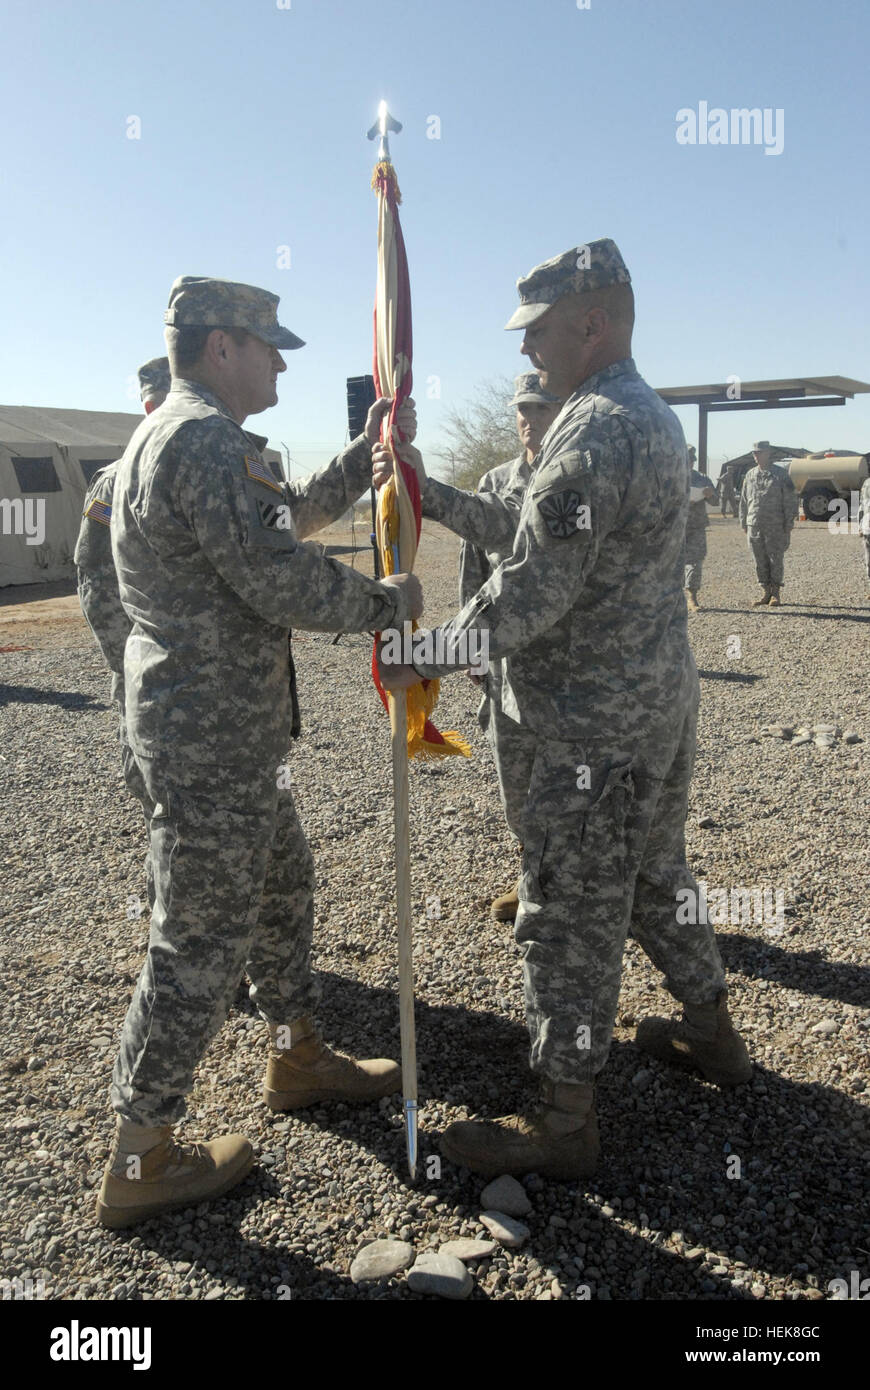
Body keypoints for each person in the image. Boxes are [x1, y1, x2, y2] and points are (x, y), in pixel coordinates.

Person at [375, 239, 750, 1180]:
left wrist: (425, 651)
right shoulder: (646, 416)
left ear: (593, 321)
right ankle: (716, 1039)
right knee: (656, 875)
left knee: (568, 915)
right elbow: (549, 536)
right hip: (653, 703)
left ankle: (564, 1121)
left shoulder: (589, 431)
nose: (525, 352)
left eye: (537, 331)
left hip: (587, 725)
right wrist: (440, 498)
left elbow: (534, 589)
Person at [97, 276, 422, 1228]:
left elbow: (272, 532)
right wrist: (383, 605)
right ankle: (140, 1154)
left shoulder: (194, 438)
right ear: (219, 346)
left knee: (284, 886)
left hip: (230, 737)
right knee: (196, 944)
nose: (281, 360)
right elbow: (273, 575)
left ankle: (296, 1052)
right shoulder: (198, 439)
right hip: (210, 744)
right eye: (268, 344)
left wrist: (362, 462)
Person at [458, 371, 562, 921]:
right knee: (515, 784)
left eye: (540, 408)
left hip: (567, 667)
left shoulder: (579, 477)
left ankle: (579, 895)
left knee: (575, 790)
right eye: (521, 409)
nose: (527, 418)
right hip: (506, 666)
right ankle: (530, 883)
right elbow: (475, 572)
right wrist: (470, 650)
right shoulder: (495, 482)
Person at [74, 357, 171, 908]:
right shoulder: (115, 481)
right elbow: (95, 581)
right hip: (151, 682)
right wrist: (134, 662)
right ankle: (176, 950)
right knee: (168, 815)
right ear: (147, 405)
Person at [739, 440, 799, 606]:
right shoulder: (750, 475)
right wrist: (743, 521)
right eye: (754, 453)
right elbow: (744, 500)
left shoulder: (781, 474)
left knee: (775, 558)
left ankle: (776, 593)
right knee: (759, 559)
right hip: (754, 524)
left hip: (775, 525)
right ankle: (765, 591)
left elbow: (790, 499)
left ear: (768, 453)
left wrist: (789, 523)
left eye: (759, 452)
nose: (756, 456)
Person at [684, 463, 716, 611]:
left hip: (696, 525)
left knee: (695, 560)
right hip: (673, 526)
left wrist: (711, 494)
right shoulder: (669, 473)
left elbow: (716, 501)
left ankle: (692, 597)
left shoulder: (702, 478)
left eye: (691, 459)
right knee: (669, 562)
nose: (689, 461)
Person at [859, 466, 870, 598]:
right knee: (868, 561)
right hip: (868, 528)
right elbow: (862, 505)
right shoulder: (867, 483)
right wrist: (860, 526)